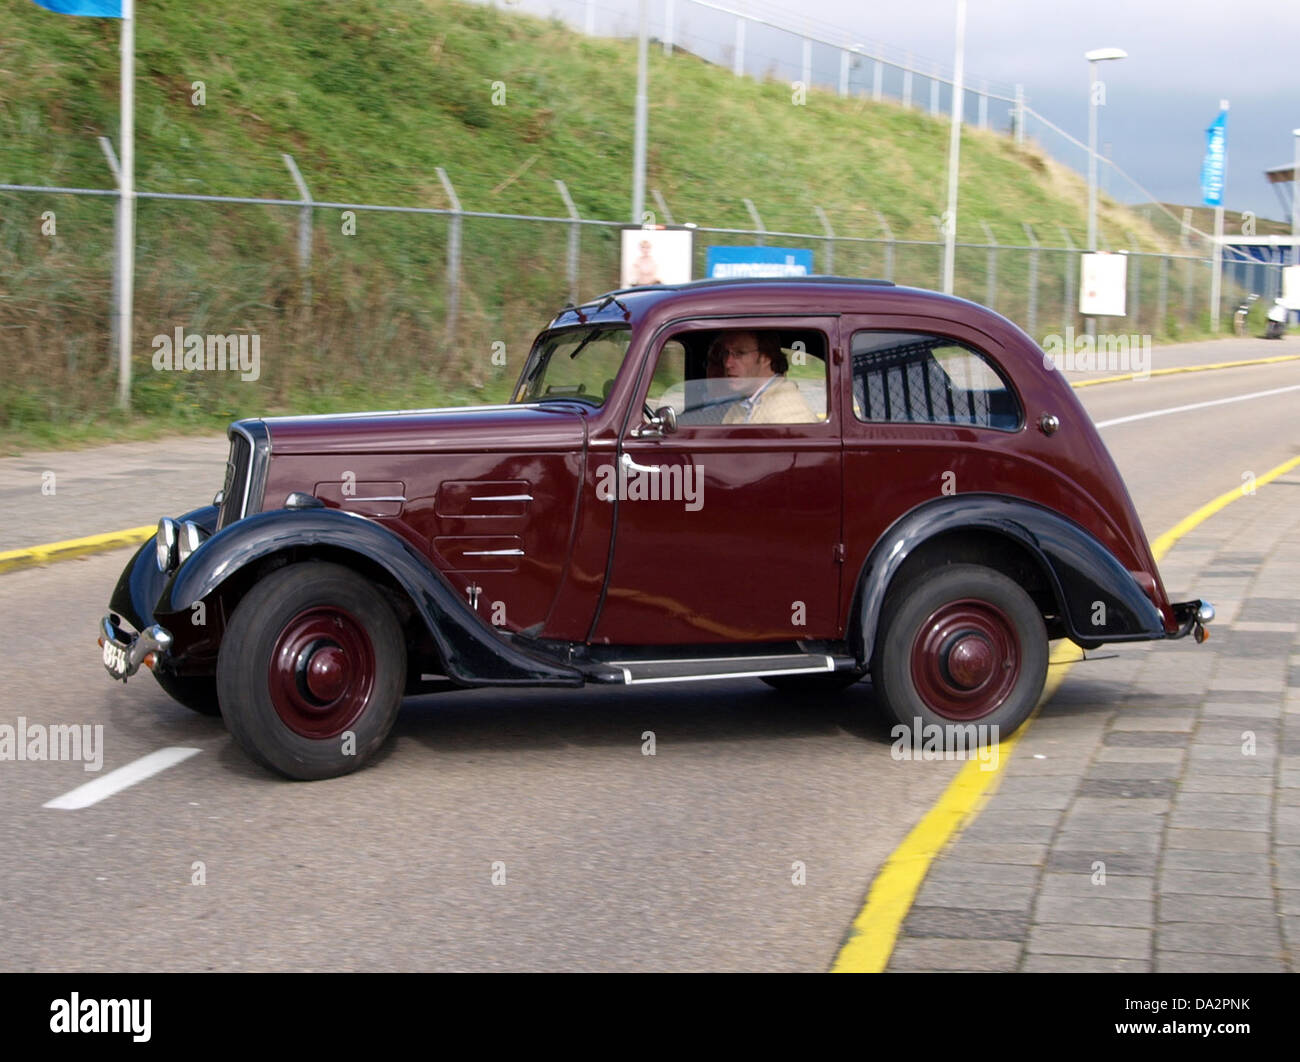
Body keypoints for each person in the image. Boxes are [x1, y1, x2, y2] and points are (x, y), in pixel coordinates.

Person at [706, 331, 816, 424]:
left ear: (766, 357)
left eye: (739, 353)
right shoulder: (744, 402)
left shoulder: (789, 411)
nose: (728, 364)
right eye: (726, 354)